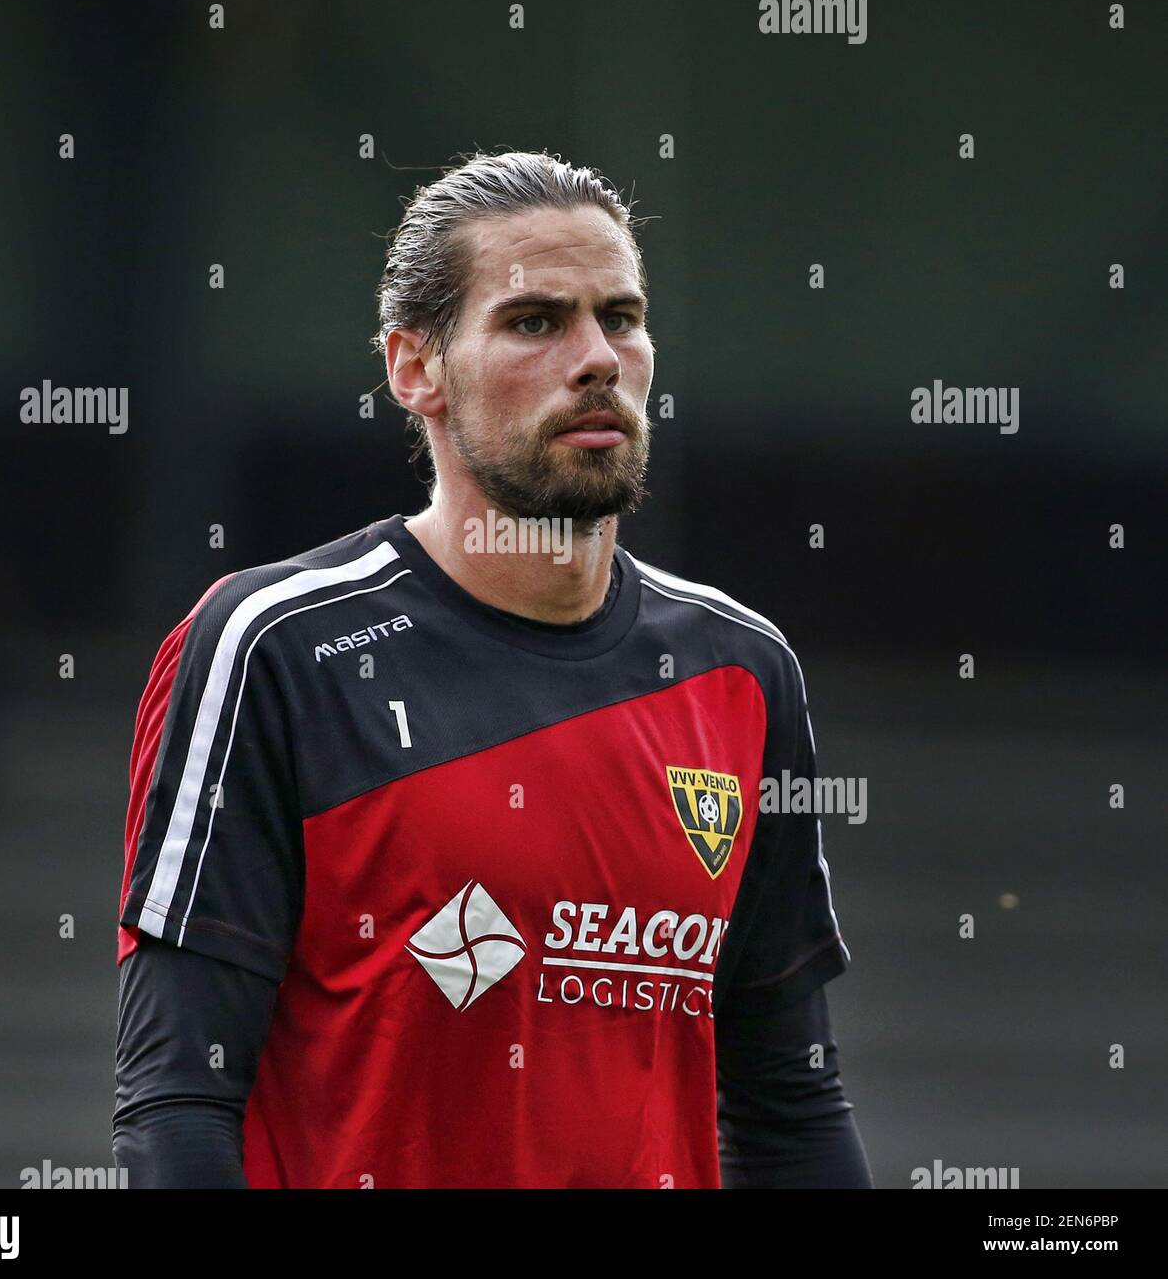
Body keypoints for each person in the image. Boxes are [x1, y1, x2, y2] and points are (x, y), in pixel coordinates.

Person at [113, 149, 872, 1188]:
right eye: (535, 321)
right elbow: (177, 1097)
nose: (598, 356)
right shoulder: (276, 643)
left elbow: (790, 1104)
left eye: (622, 316)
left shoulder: (741, 670)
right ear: (415, 368)